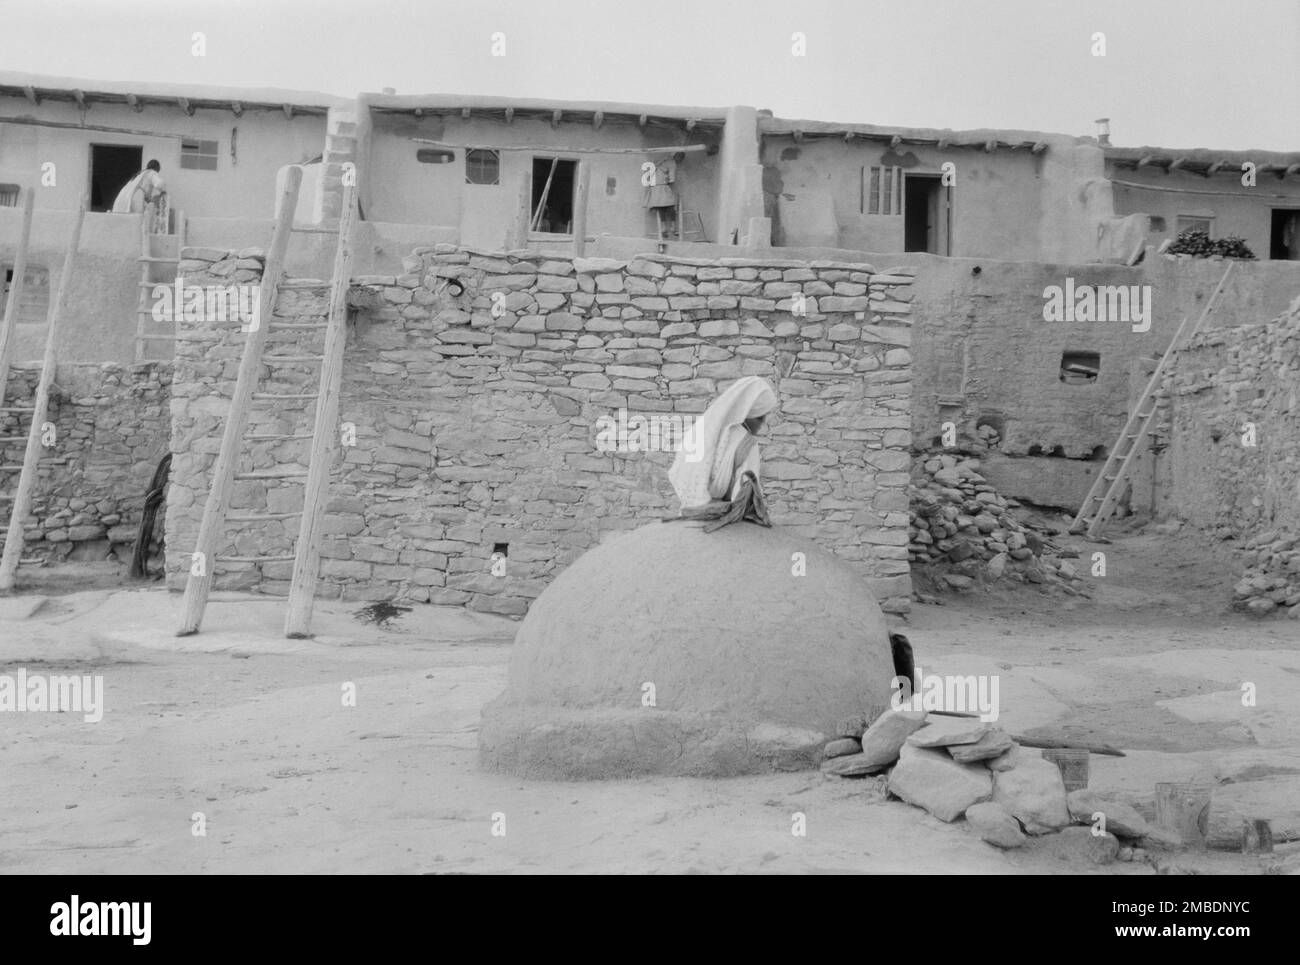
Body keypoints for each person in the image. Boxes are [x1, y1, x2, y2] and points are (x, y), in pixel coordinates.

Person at [665, 375, 777, 532]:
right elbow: (745, 496)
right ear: (747, 412)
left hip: (689, 511)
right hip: (722, 525)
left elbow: (684, 471)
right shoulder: (747, 443)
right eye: (760, 417)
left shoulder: (704, 429)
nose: (763, 423)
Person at [112, 160, 167, 229]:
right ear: (157, 168)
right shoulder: (152, 173)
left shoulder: (140, 174)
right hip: (135, 197)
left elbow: (145, 193)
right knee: (138, 223)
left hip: (122, 199)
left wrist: (151, 200)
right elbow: (160, 184)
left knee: (125, 225)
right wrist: (163, 192)